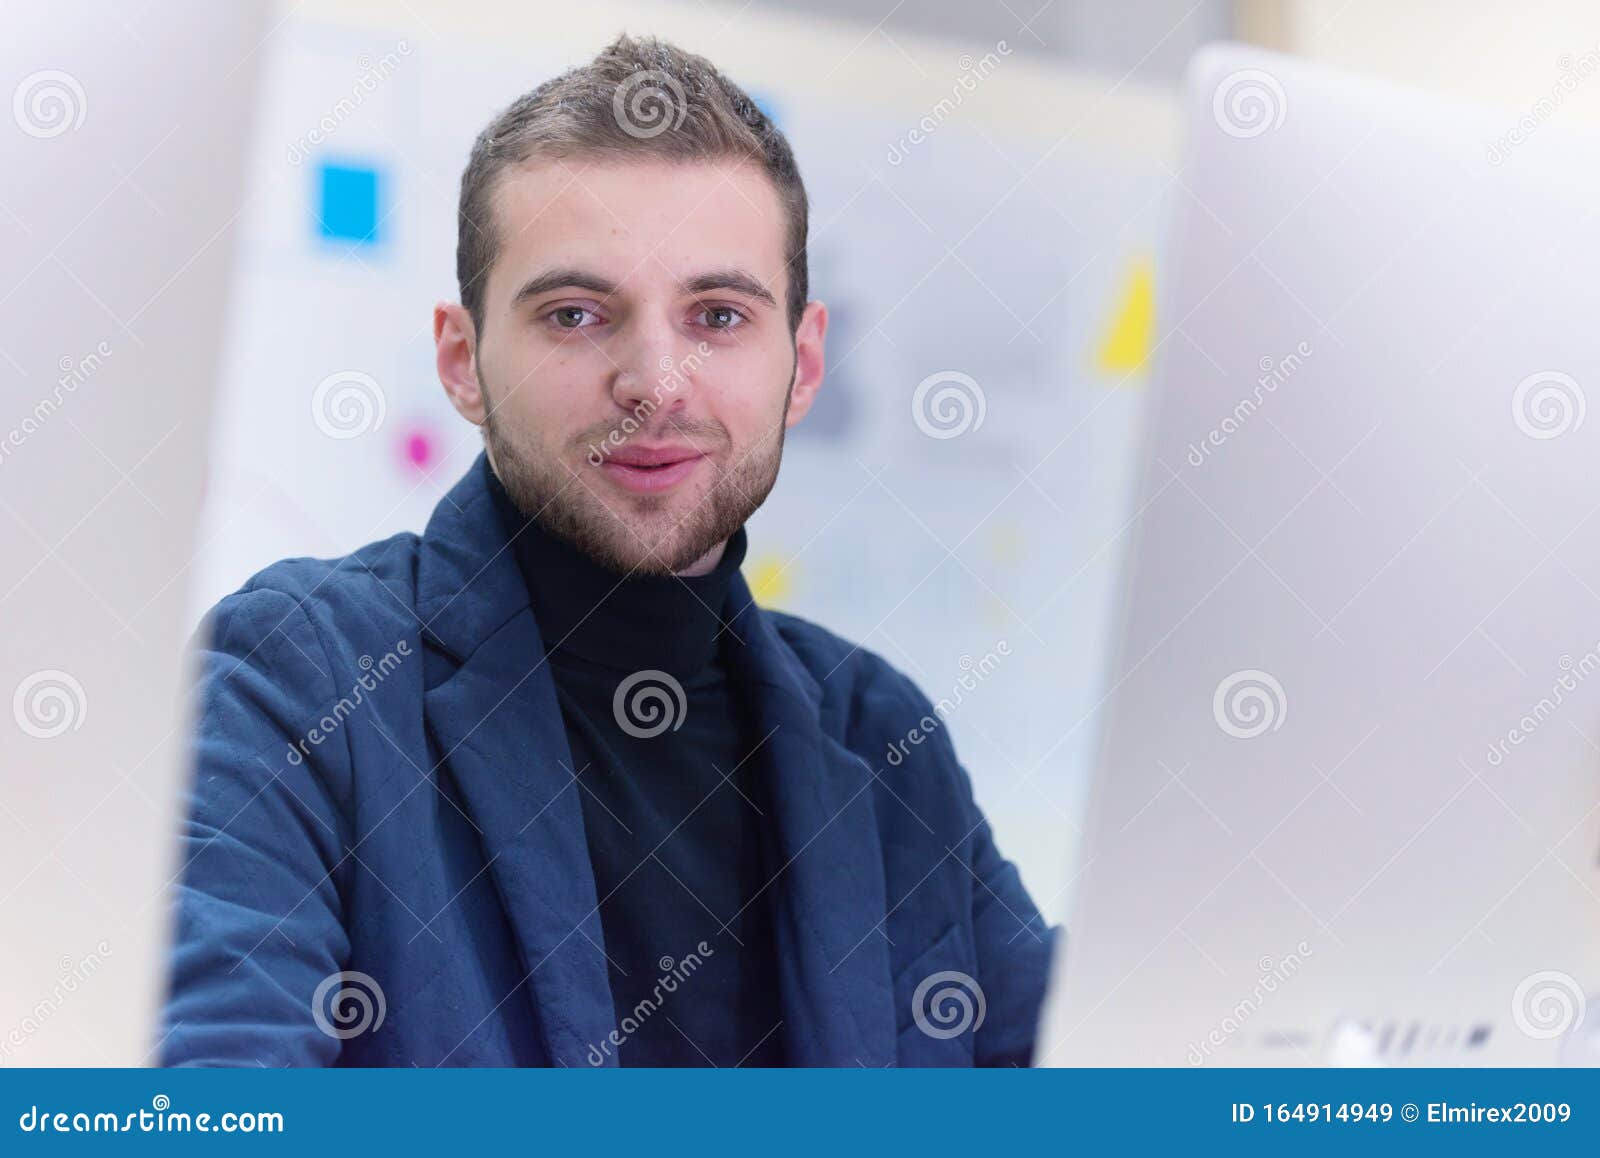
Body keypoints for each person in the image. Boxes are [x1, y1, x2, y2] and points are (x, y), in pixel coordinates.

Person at [160, 33, 1053, 1067]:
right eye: (577, 315)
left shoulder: (879, 733)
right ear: (462, 361)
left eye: (717, 316)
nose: (656, 383)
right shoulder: (299, 682)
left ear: (802, 366)